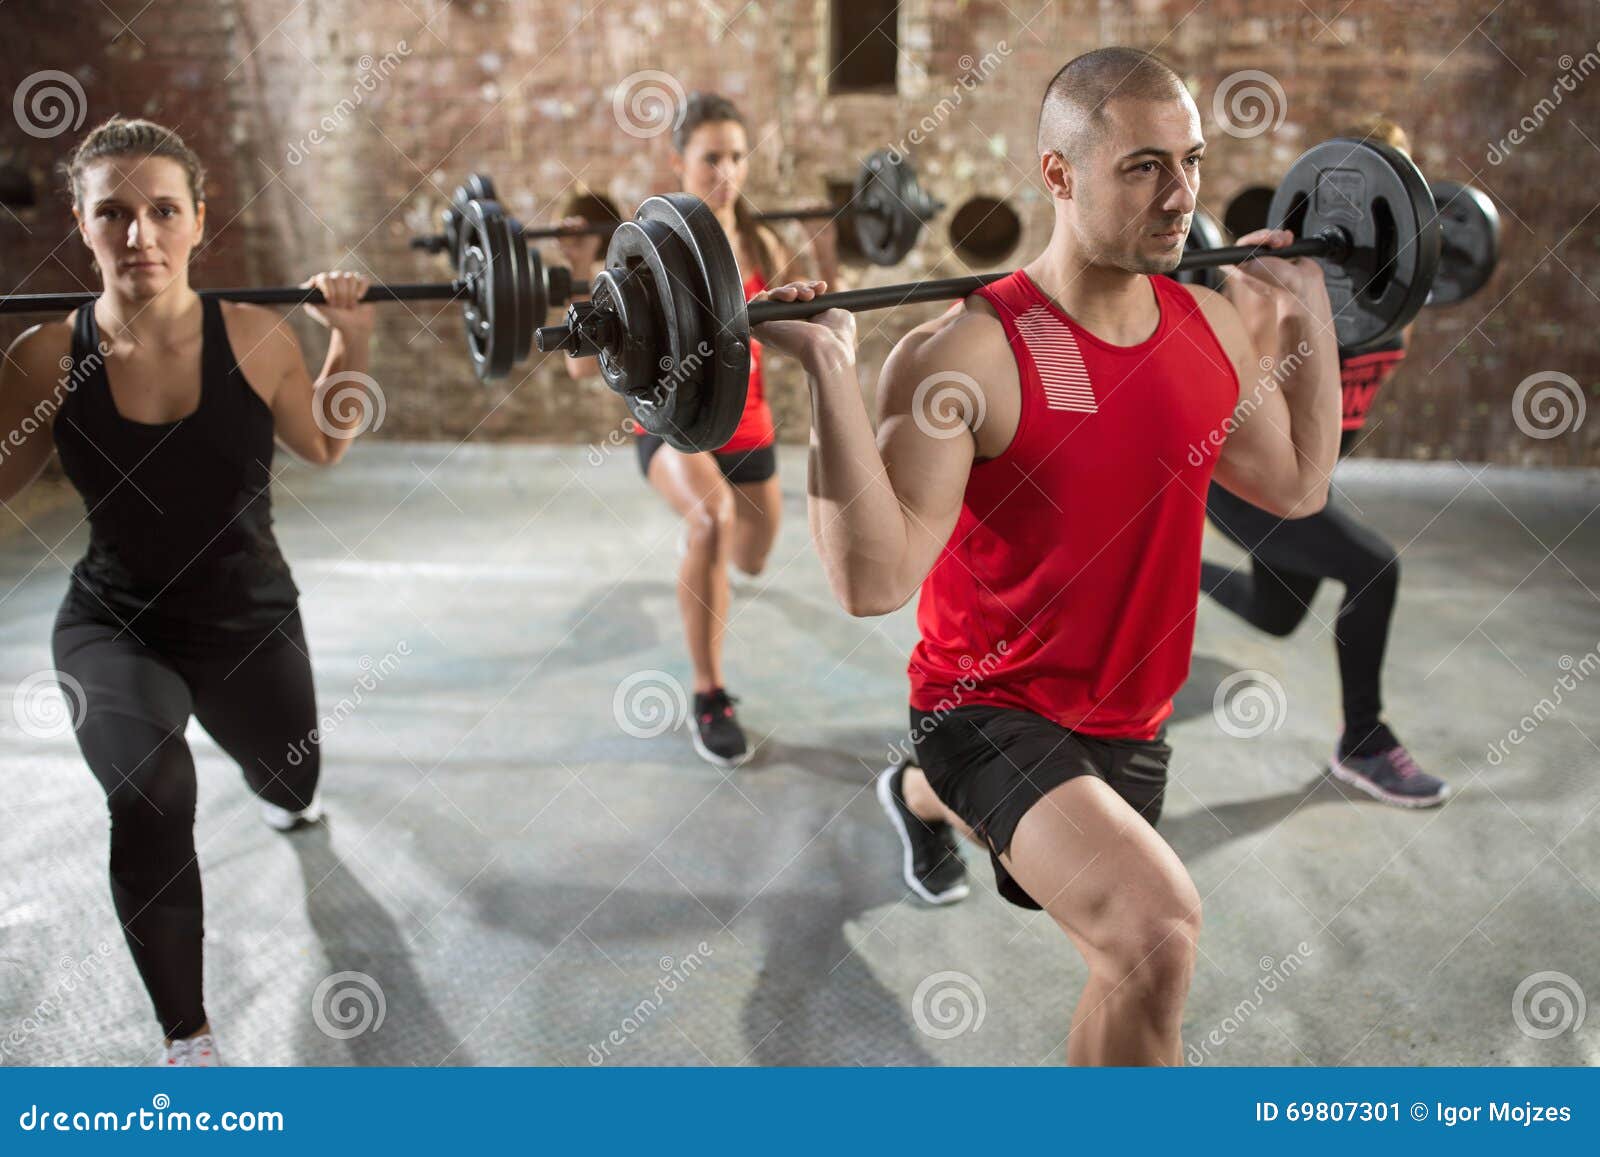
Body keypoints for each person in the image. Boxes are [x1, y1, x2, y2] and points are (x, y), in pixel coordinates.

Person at [751, 48, 1342, 1064]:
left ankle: (916, 797)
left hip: (1132, 717)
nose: (1181, 196)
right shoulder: (964, 353)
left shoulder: (1208, 326)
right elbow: (870, 579)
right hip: (986, 706)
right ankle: (935, 778)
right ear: (1058, 174)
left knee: (1122, 969)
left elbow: (1296, 485)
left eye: (1191, 161)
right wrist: (829, 376)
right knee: (1155, 932)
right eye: (1144, 166)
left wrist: (1308, 312)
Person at [0, 116, 378, 1066]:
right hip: (115, 625)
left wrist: (353, 339)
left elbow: (326, 442)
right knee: (151, 792)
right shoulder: (46, 357)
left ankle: (285, 794)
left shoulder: (255, 336)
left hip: (249, 620)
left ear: (199, 220)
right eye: (114, 213)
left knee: (291, 780)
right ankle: (188, 1038)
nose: (140, 235)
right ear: (82, 225)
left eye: (164, 211)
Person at [561, 93, 841, 769]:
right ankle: (710, 694)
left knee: (752, 559)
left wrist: (822, 265)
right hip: (673, 423)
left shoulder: (763, 244)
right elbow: (580, 365)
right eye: (711, 157)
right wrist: (577, 273)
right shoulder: (649, 253)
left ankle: (707, 578)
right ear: (678, 162)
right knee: (711, 523)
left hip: (748, 425)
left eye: (737, 156)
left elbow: (814, 322)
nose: (727, 171)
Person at [1199, 117, 1449, 808]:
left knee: (1275, 615)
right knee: (1375, 568)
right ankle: (1363, 741)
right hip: (1251, 484)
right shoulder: (1288, 294)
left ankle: (1176, 566)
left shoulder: (1392, 291)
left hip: (1309, 480)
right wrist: (1263, 289)